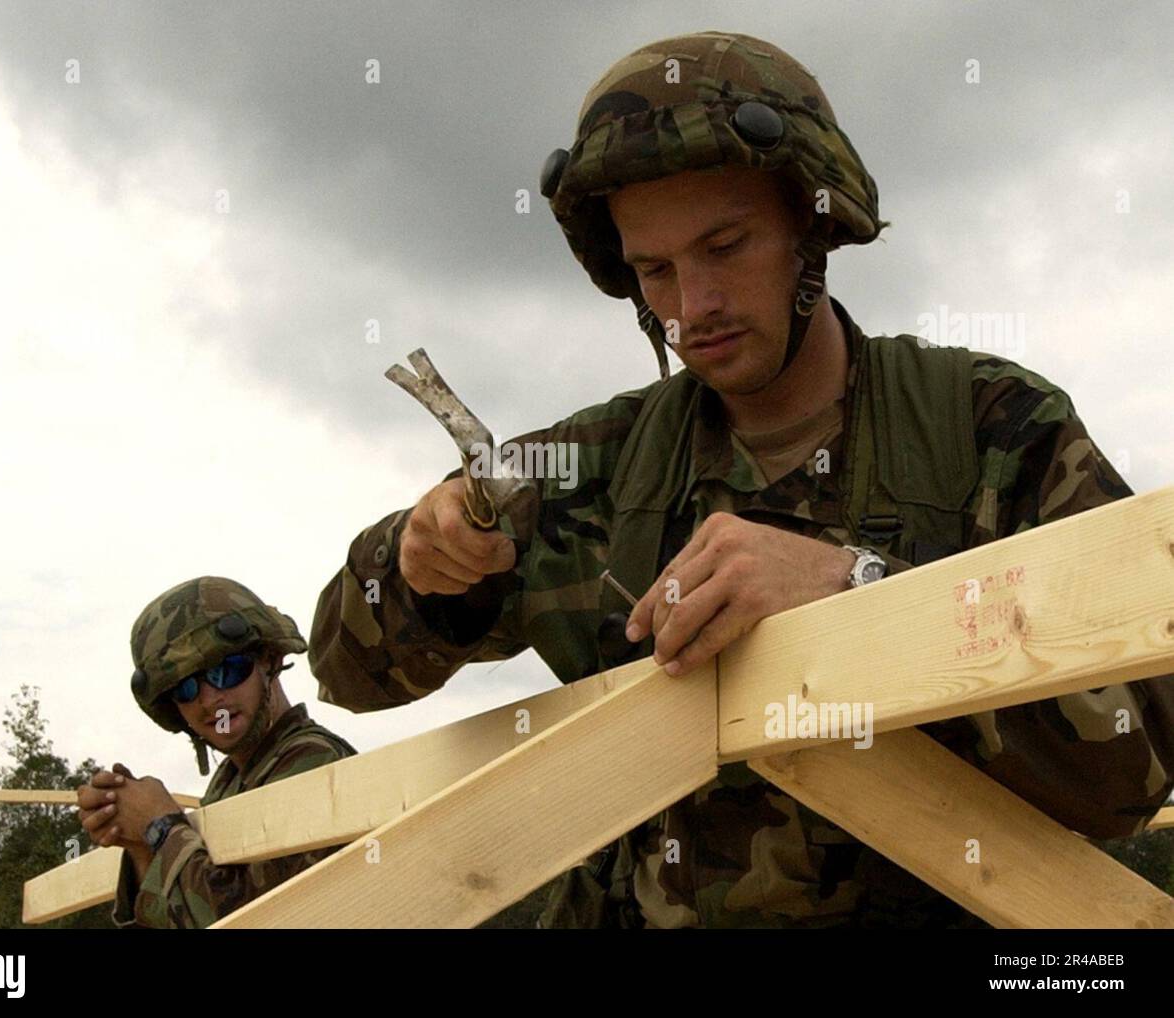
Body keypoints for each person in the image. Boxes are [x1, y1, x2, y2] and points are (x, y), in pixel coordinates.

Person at [307, 31, 1174, 928]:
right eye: (655, 271)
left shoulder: (993, 429)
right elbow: (349, 673)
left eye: (725, 247)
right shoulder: (587, 470)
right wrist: (421, 572)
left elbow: (1130, 766)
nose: (692, 308)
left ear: (814, 228)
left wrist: (866, 599)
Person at [77, 576, 357, 928]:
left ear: (268, 660)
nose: (209, 700)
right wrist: (141, 847)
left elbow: (253, 919)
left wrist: (161, 827)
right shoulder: (229, 784)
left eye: (226, 671)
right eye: (186, 687)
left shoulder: (313, 760)